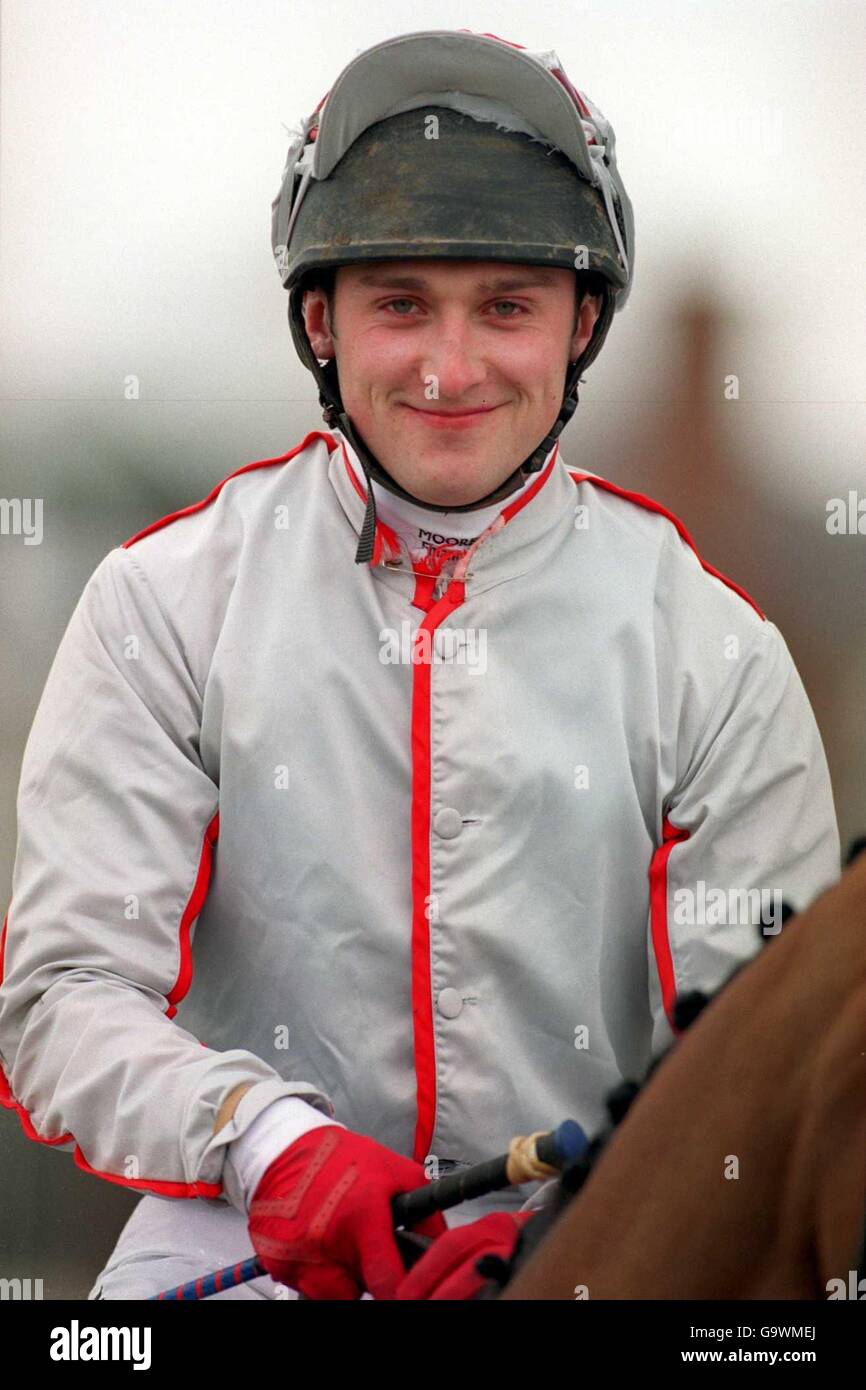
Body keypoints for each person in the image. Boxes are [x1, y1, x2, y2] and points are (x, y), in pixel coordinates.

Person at [0, 29, 840, 1302]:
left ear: (583, 325)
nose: (450, 369)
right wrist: (273, 1145)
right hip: (236, 1246)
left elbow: (764, 1073)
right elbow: (62, 995)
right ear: (317, 323)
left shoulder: (717, 654)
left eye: (505, 306)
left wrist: (571, 1234)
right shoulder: (158, 605)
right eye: (400, 304)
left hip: (605, 1264)